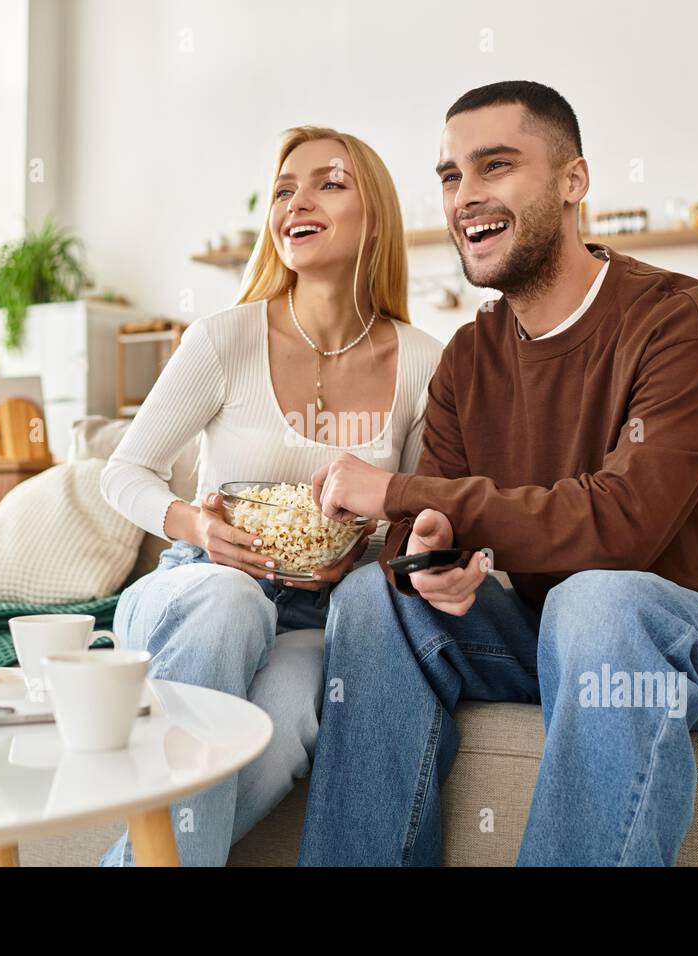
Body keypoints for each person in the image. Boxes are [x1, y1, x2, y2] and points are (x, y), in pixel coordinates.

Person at [299, 81, 698, 866]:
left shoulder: (679, 321)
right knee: (375, 595)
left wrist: (404, 494)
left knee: (597, 600)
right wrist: (426, 549)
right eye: (449, 177)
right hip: (561, 638)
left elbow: (621, 526)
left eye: (496, 165)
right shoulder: (468, 358)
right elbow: (419, 524)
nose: (466, 197)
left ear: (574, 181)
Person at [97, 125, 442, 866]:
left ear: (374, 216)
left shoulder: (422, 362)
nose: (296, 201)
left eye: (328, 183)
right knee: (231, 601)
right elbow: (123, 472)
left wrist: (359, 560)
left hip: (318, 618)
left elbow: (415, 523)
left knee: (285, 716)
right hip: (195, 588)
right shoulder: (224, 339)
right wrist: (197, 523)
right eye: (284, 188)